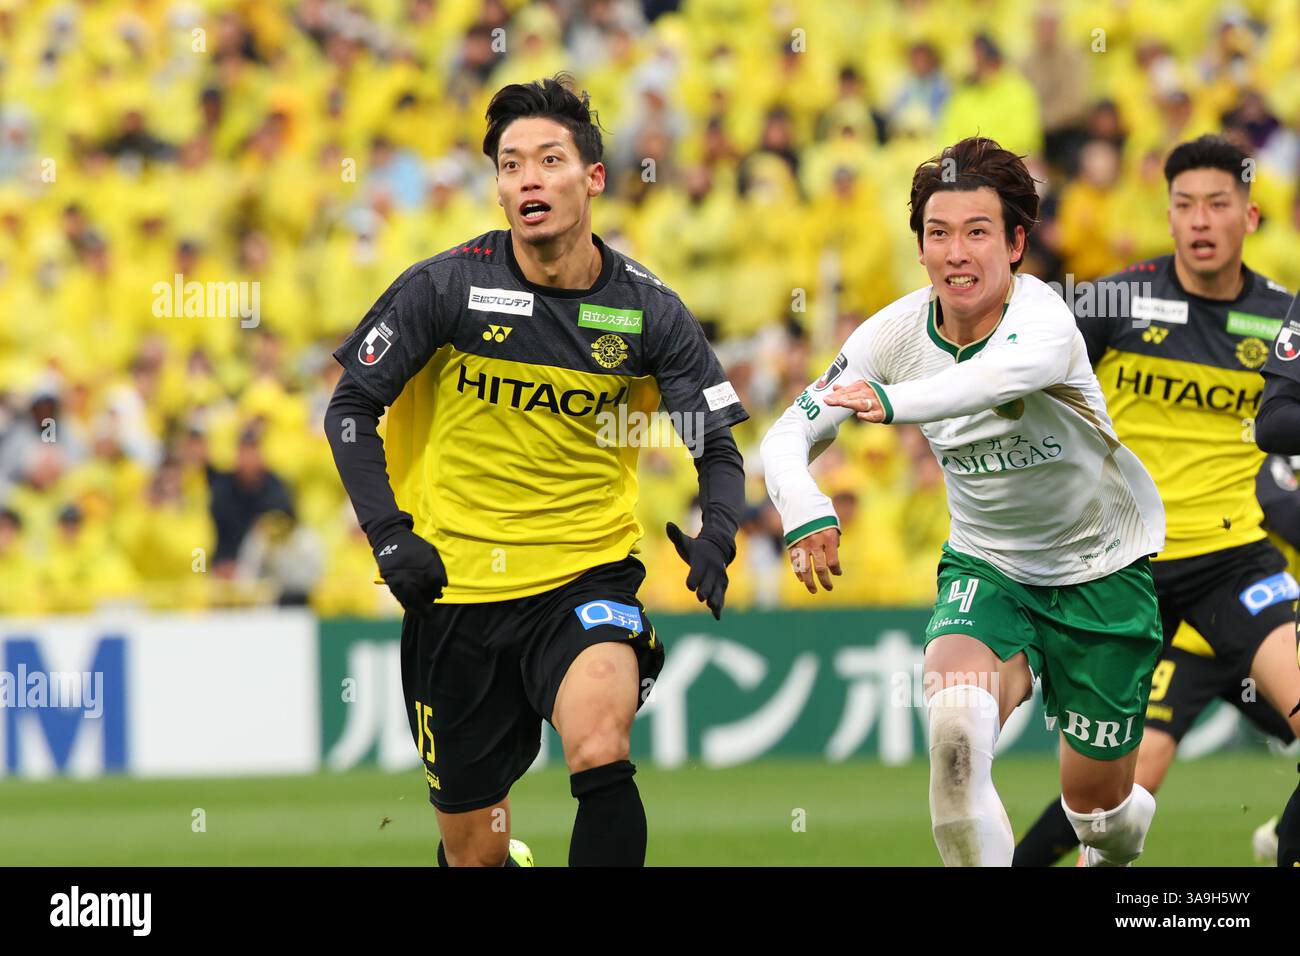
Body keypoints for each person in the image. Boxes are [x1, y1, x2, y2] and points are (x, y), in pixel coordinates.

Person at [324, 76, 747, 867]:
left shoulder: (649, 314)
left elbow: (714, 444)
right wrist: (389, 537)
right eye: (511, 165)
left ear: (593, 178)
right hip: (455, 590)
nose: (527, 179)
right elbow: (350, 408)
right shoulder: (444, 287)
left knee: (599, 743)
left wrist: (718, 533)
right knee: (475, 851)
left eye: (548, 160)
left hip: (585, 576)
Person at [761, 136, 1165, 866]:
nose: (956, 253)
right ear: (918, 248)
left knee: (1099, 817)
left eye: (977, 232)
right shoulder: (890, 333)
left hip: (1103, 571)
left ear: (1015, 243)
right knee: (954, 744)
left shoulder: (1045, 322)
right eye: (938, 234)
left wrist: (889, 402)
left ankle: (1118, 822)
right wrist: (805, 505)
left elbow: (983, 383)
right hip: (989, 568)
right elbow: (788, 433)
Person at [1014, 135, 1300, 867]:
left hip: (1234, 561)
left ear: (1251, 216)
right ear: (1168, 217)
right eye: (1184, 206)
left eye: (1217, 205)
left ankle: (1281, 844)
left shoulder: (1283, 317)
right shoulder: (1114, 298)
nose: (1200, 220)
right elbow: (1021, 376)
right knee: (1111, 807)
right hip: (1123, 564)